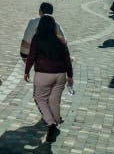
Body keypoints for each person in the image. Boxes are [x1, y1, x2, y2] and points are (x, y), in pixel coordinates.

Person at [24, 15, 74, 143]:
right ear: (53, 27)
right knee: (54, 100)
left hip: (43, 73)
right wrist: (70, 75)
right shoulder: (61, 40)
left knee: (40, 99)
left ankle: (51, 124)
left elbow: (31, 56)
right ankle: (56, 123)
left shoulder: (37, 38)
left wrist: (27, 71)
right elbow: (67, 59)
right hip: (60, 74)